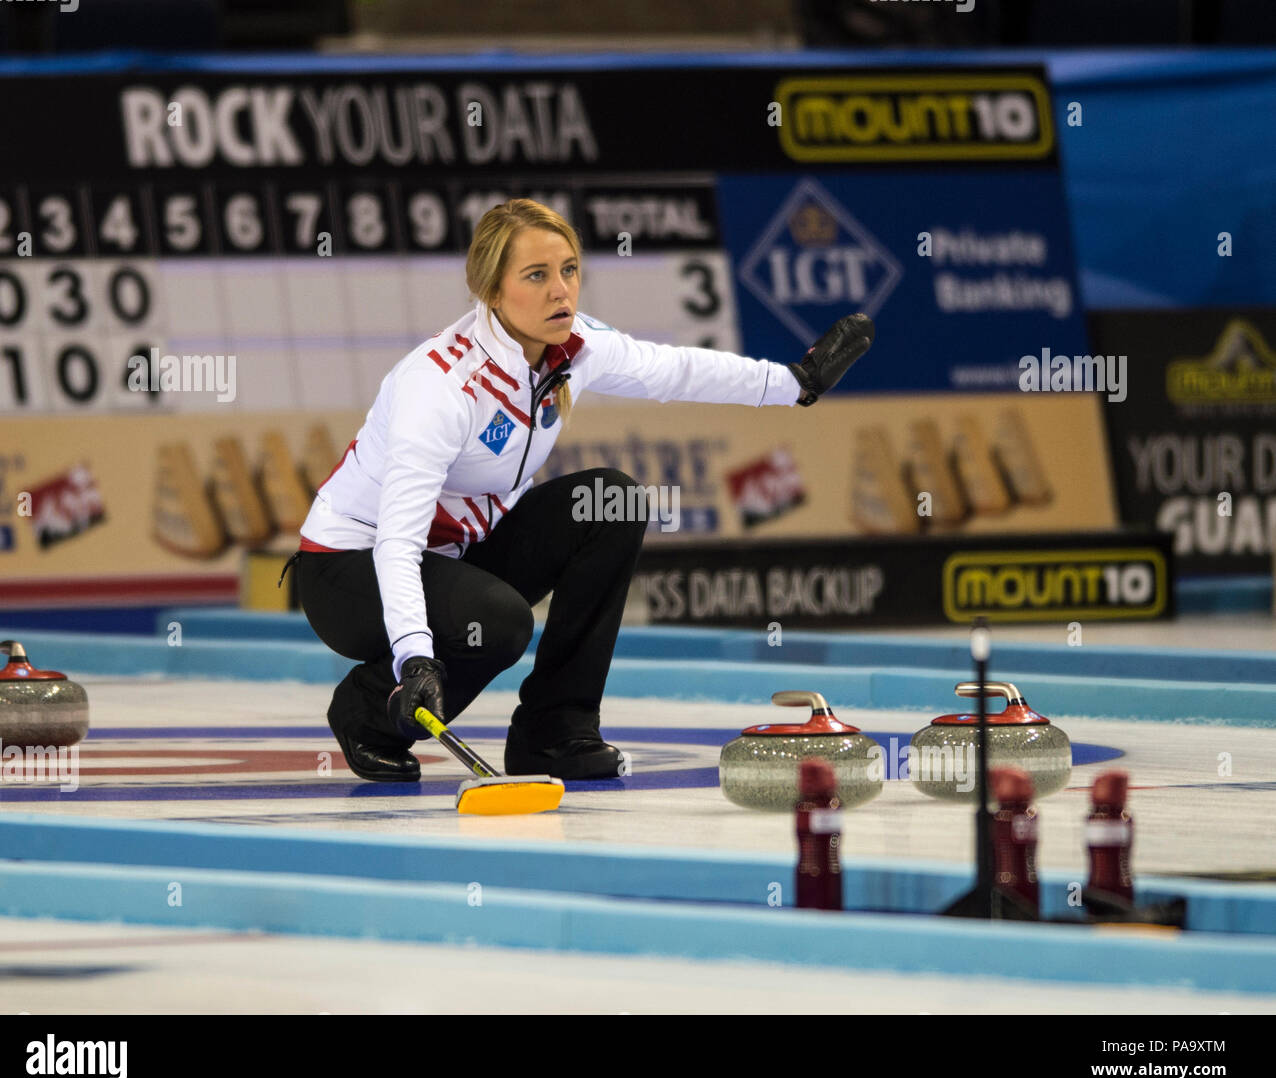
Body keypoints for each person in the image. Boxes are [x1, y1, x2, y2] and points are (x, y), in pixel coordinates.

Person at [292, 198, 873, 783]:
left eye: (569, 270)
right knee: (499, 623)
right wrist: (415, 656)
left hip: (450, 556)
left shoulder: (574, 347)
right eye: (537, 275)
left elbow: (672, 370)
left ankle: (554, 731)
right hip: (350, 567)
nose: (560, 291)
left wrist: (795, 383)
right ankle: (367, 713)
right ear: (491, 290)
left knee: (611, 504)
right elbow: (398, 540)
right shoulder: (440, 387)